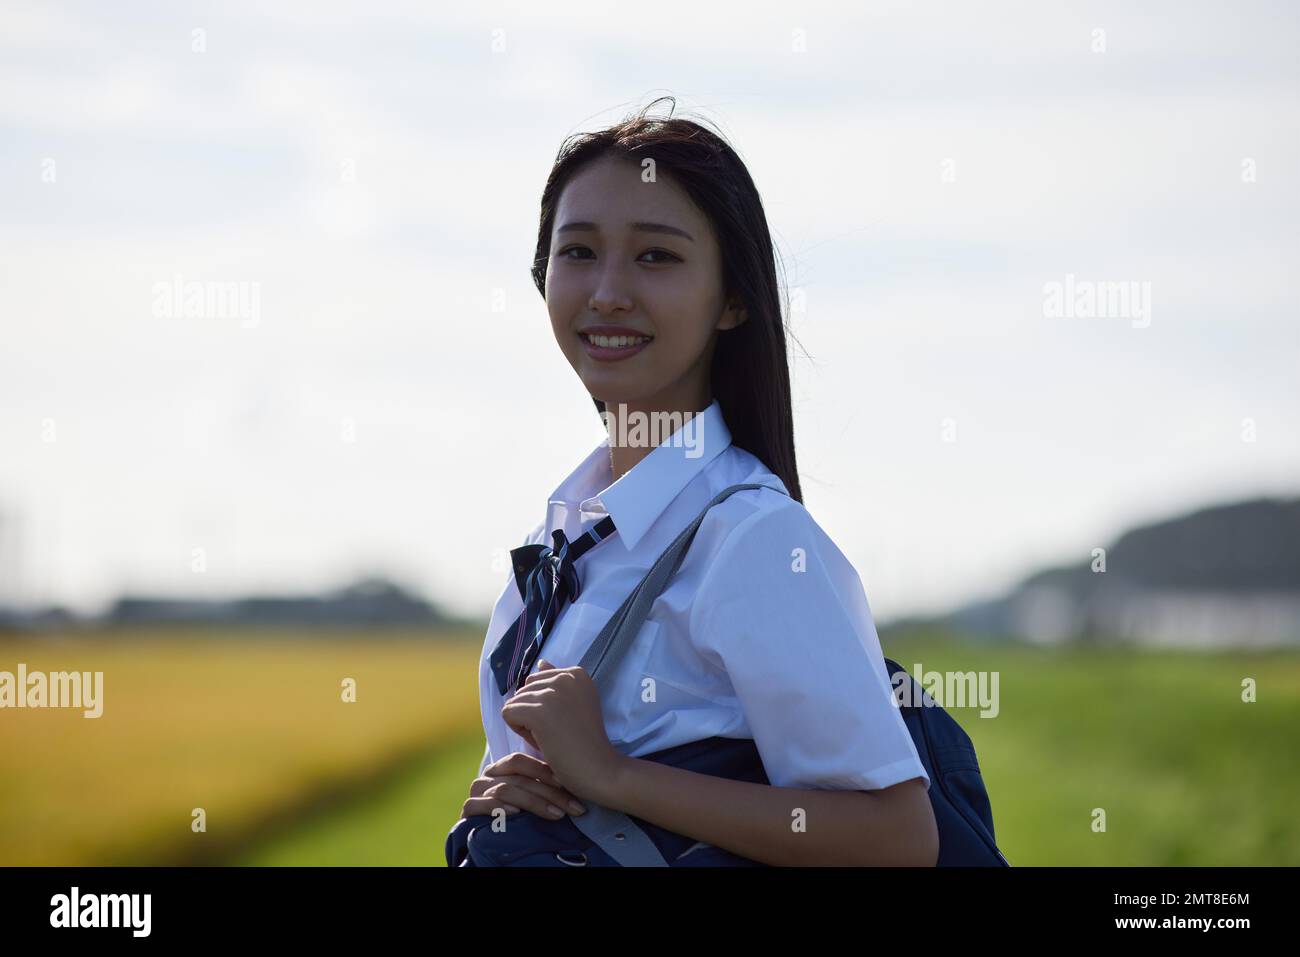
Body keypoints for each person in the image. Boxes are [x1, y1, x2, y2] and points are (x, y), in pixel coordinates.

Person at [458, 99, 938, 866]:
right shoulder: (552, 549)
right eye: (577, 252)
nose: (608, 291)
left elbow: (896, 837)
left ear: (734, 300)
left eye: (656, 256)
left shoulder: (752, 538)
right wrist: (509, 799)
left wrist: (615, 775)